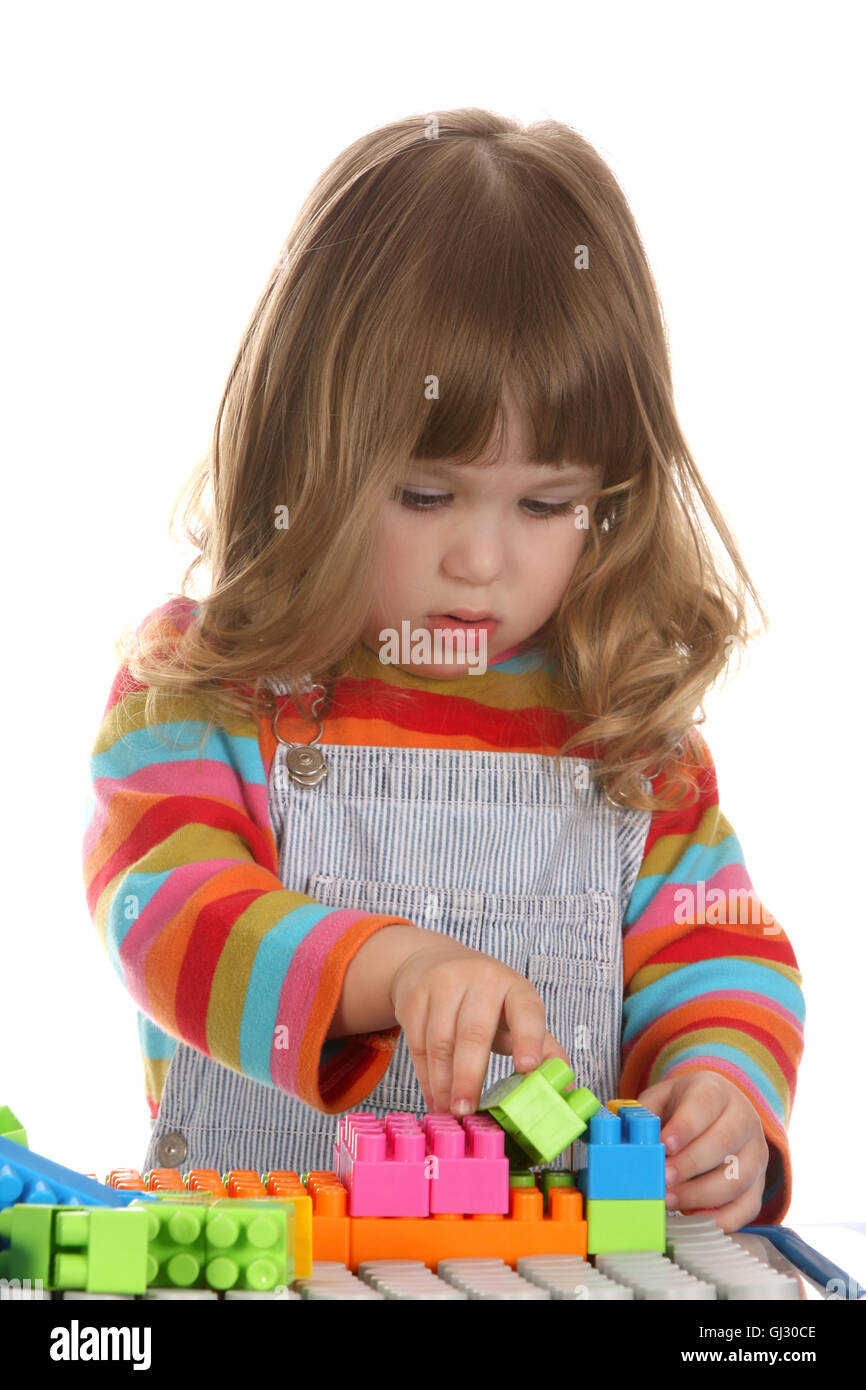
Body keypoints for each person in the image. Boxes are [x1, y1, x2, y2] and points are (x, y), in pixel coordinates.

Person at [82, 107, 804, 1230]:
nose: (481, 558)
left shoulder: (629, 739)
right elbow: (165, 912)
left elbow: (716, 944)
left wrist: (724, 1094)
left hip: (551, 1275)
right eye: (425, 494)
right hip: (264, 1261)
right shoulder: (203, 692)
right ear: (306, 446)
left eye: (546, 503)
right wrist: (392, 968)